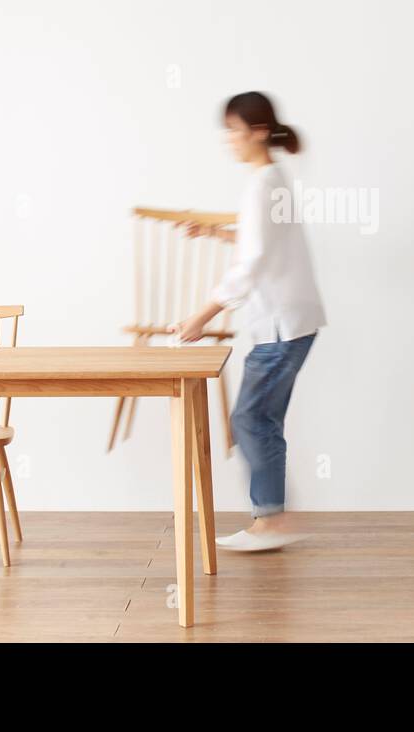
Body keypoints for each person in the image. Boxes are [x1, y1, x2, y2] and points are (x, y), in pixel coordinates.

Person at [174, 91, 326, 551]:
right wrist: (218, 232)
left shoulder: (264, 183)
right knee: (262, 420)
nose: (229, 141)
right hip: (293, 322)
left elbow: (253, 261)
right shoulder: (273, 178)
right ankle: (272, 519)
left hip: (280, 325)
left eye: (234, 131)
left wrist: (203, 313)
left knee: (247, 418)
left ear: (258, 132)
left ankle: (272, 519)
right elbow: (264, 241)